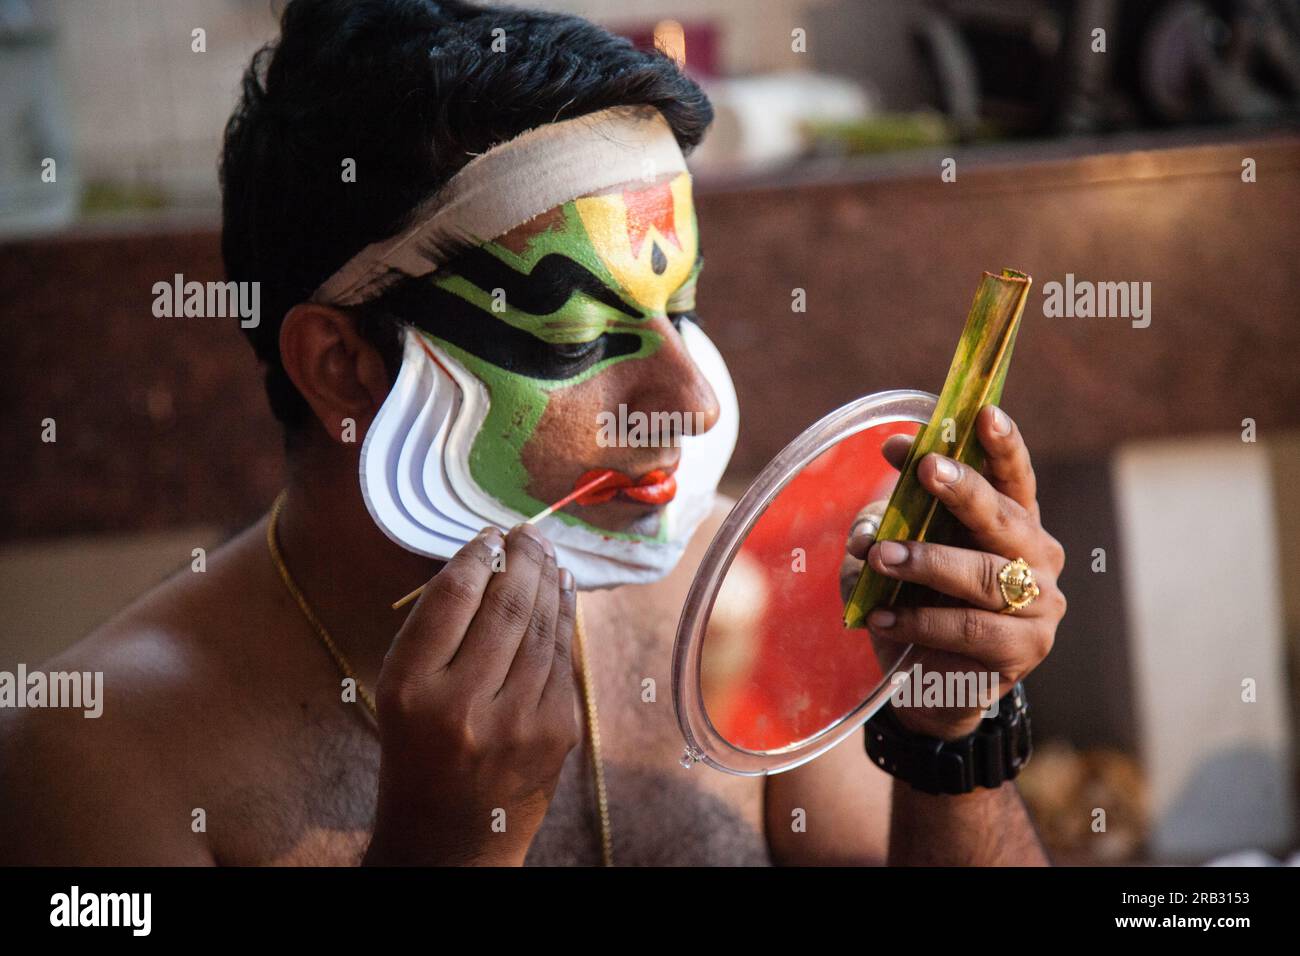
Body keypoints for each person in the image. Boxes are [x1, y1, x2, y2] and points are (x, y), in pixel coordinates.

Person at [0, 0, 1067, 866]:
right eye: (580, 337)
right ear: (345, 366)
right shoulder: (91, 757)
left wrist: (952, 737)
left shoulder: (739, 595)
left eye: (680, 309)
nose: (692, 403)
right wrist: (438, 851)